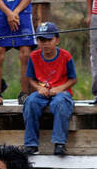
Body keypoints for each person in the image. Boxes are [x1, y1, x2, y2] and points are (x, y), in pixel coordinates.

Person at [22, 22, 77, 156]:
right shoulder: (34, 56)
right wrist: (38, 88)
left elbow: (73, 79)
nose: (45, 44)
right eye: (41, 40)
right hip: (42, 91)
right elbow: (31, 78)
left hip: (60, 91)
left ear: (57, 40)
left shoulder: (65, 56)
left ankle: (59, 143)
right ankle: (31, 144)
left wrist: (59, 88)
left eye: (49, 40)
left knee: (60, 103)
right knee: (30, 102)